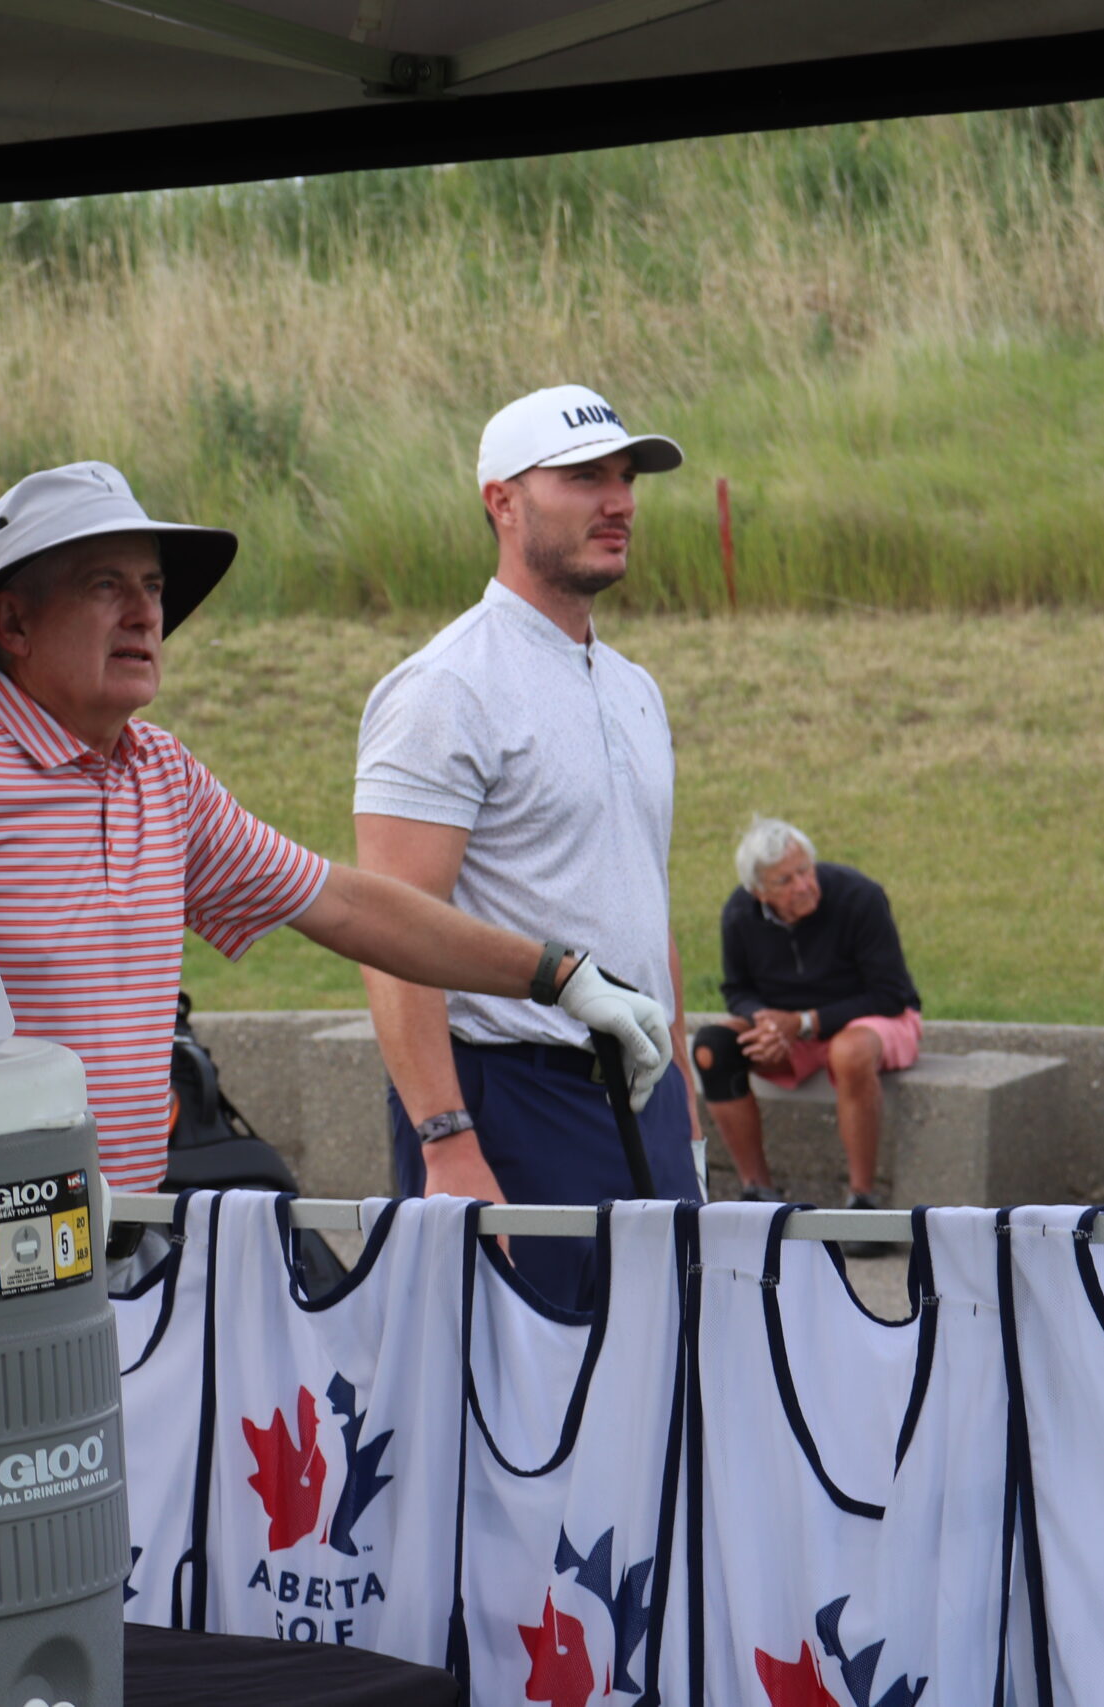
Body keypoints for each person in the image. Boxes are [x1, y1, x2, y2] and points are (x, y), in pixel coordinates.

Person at [0, 459, 672, 1200]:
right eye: (106, 585)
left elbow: (343, 905)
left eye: (152, 586)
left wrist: (557, 974)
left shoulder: (161, 775)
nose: (148, 612)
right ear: (11, 623)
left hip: (122, 1235)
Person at [354, 384, 699, 1311]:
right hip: (512, 1099)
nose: (618, 500)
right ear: (501, 501)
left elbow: (638, 898)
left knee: (665, 1390)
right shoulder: (442, 689)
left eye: (625, 478)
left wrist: (687, 1095)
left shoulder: (636, 688)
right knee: (523, 1408)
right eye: (584, 477)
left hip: (645, 1099)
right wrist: (446, 1139)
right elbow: (391, 939)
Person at [691, 816, 921, 1217]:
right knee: (712, 1049)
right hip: (791, 1027)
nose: (802, 885)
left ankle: (862, 1200)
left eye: (804, 870)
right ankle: (758, 1193)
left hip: (869, 1019)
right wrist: (763, 1020)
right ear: (759, 892)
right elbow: (736, 990)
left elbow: (890, 995)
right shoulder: (739, 913)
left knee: (848, 1053)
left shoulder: (858, 896)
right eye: (785, 881)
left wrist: (804, 1022)